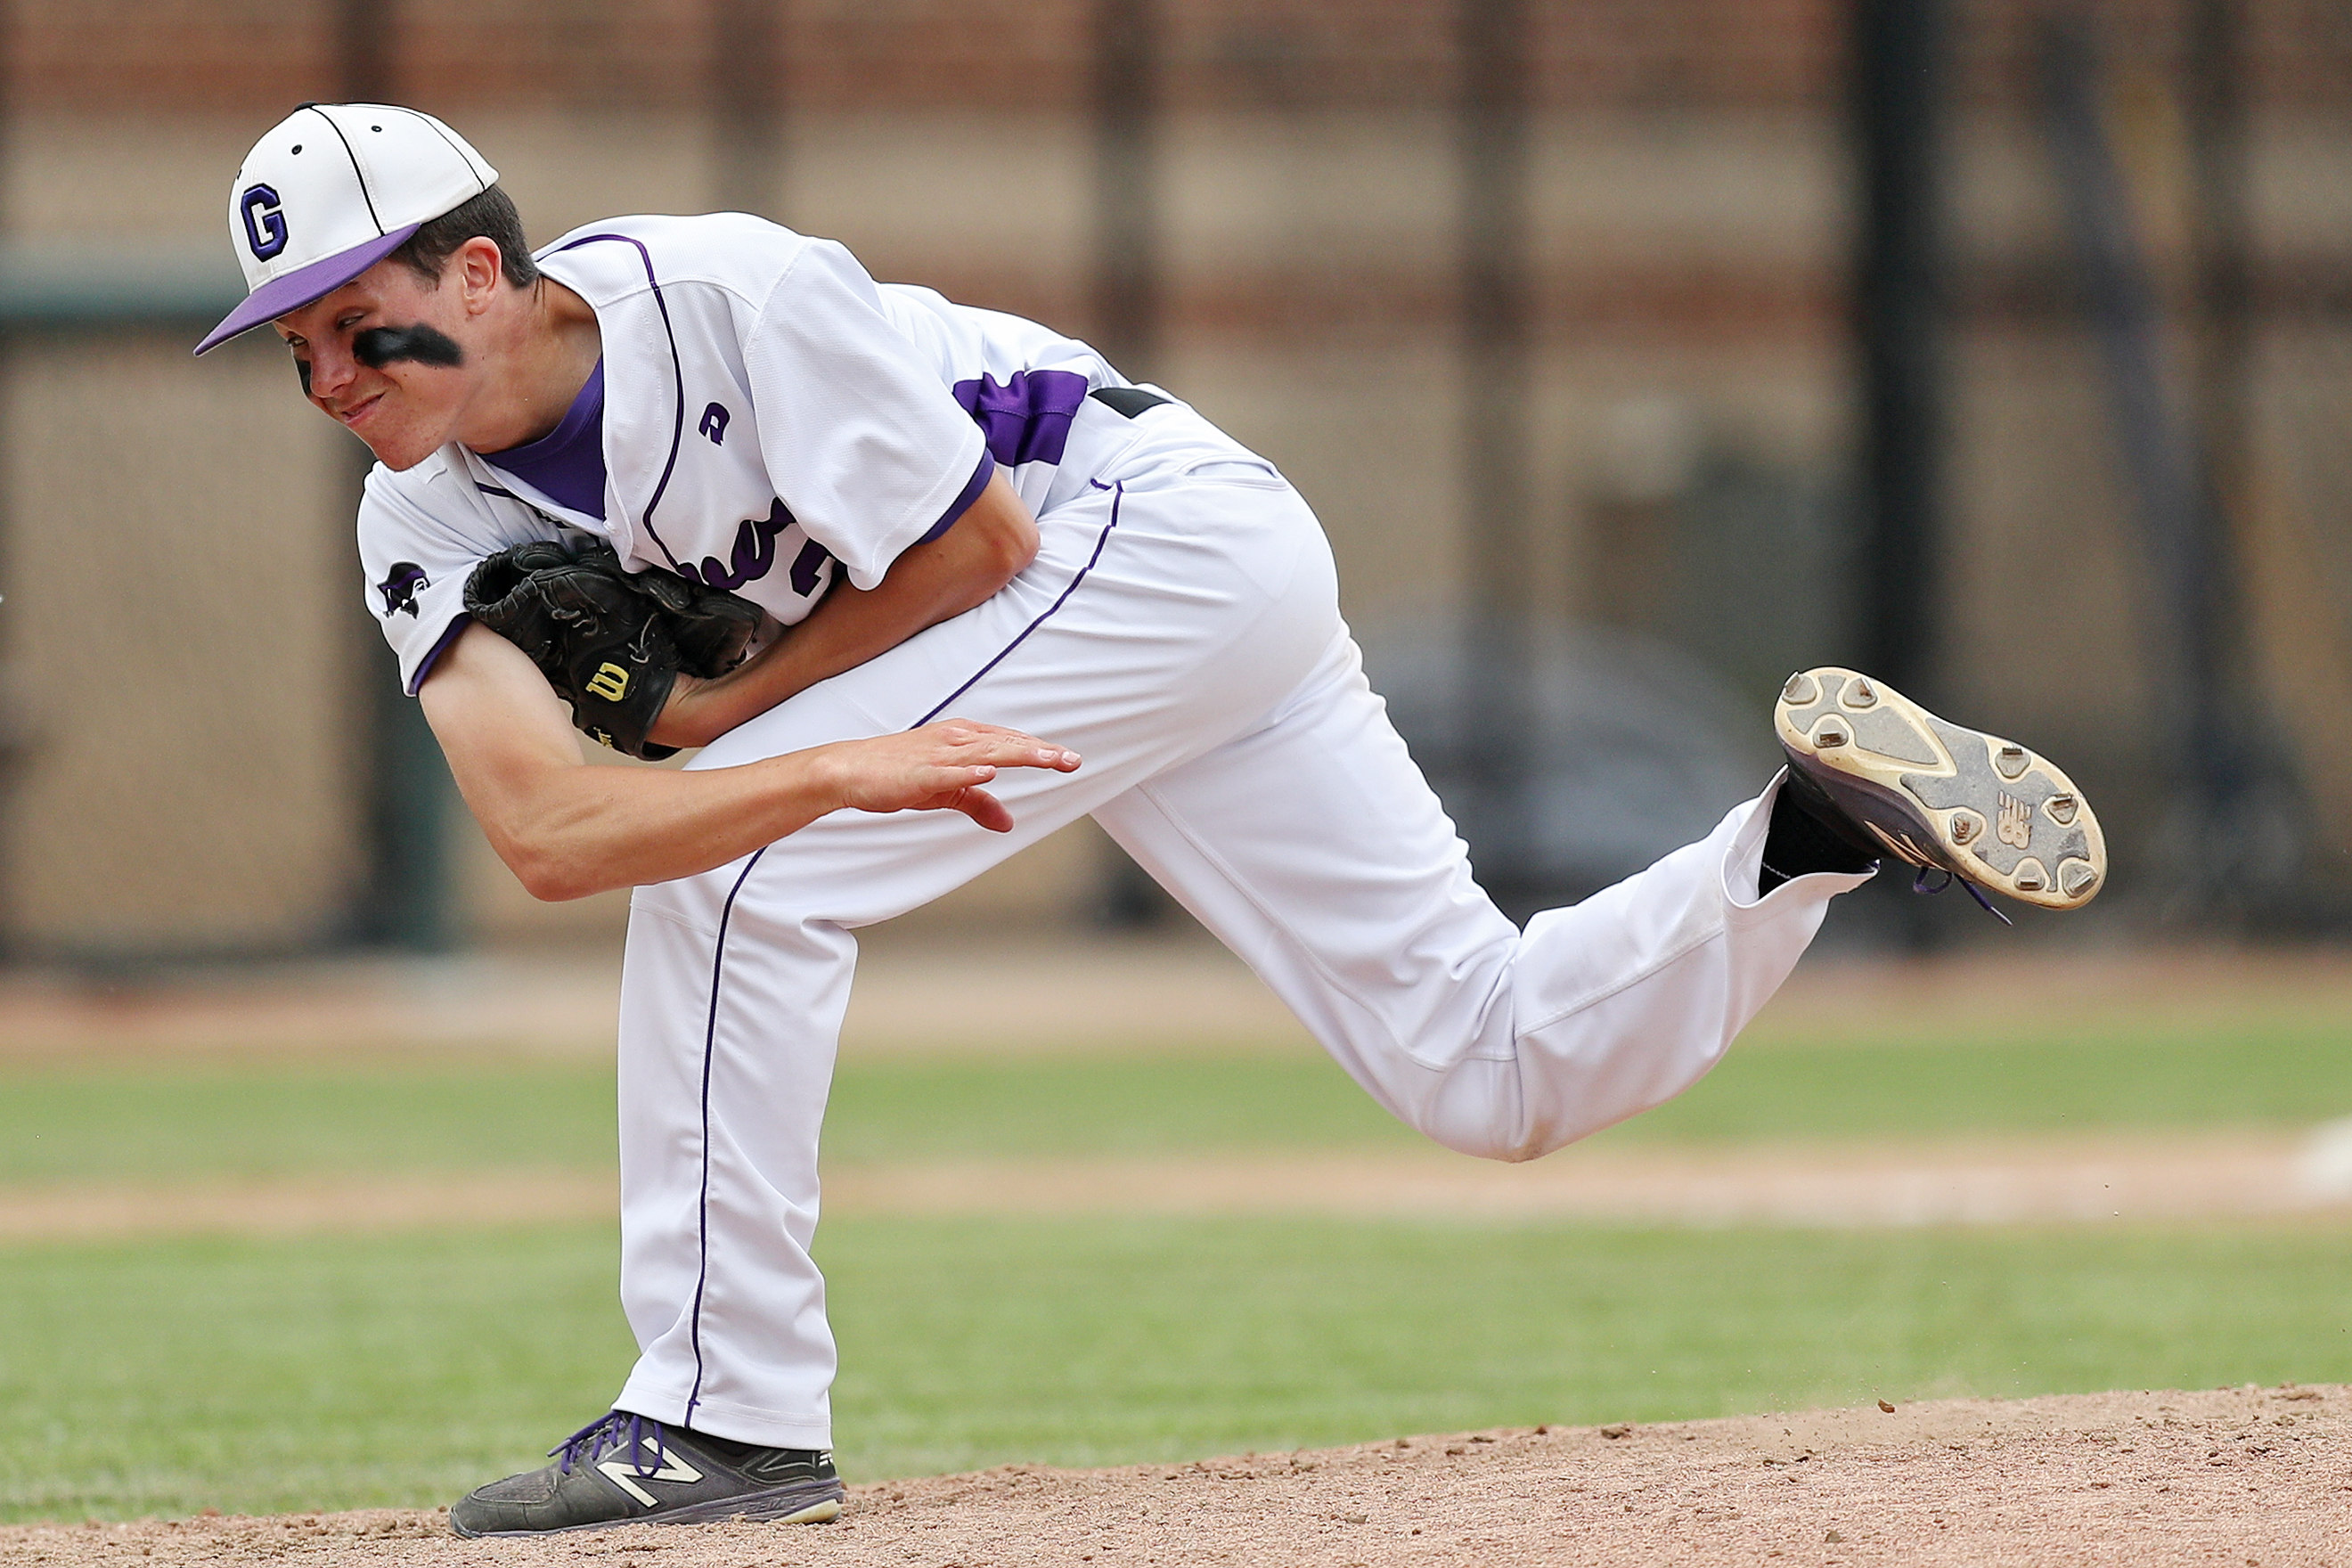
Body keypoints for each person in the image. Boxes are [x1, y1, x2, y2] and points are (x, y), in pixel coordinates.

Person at [198, 104, 2104, 1538]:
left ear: (477, 269)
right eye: (294, 349)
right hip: (1137, 613)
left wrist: (750, 735)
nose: (332, 377)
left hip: (1151, 530)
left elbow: (976, 547)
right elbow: (544, 827)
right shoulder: (426, 517)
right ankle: (1804, 839)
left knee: (740, 865)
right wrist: (748, 757)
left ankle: (724, 1413)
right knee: (1484, 1062)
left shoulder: (731, 299)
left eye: (359, 322)